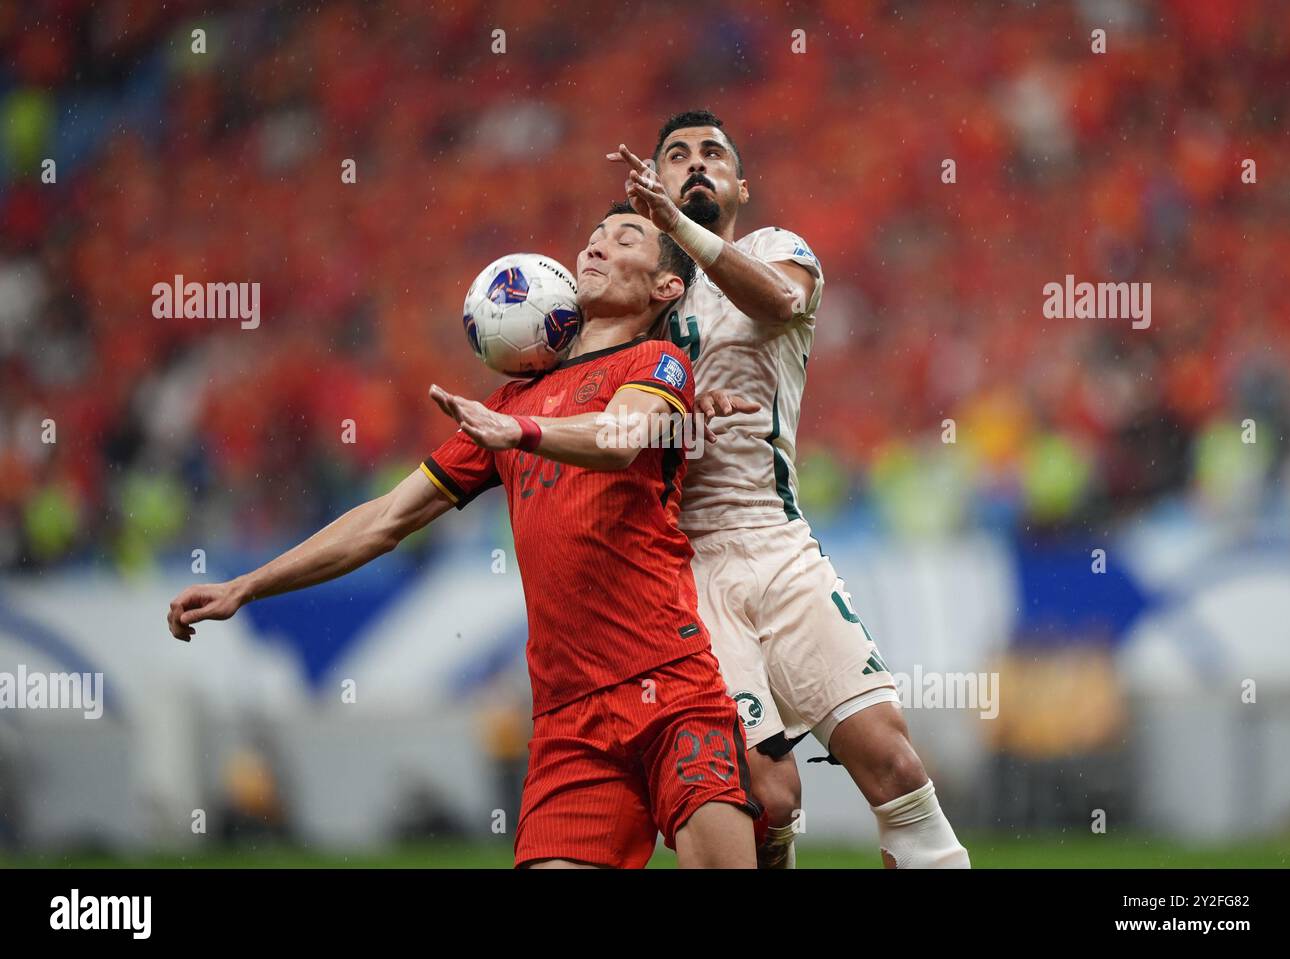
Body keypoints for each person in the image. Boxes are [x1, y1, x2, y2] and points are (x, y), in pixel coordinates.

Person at [166, 202, 762, 869]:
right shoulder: (509, 407)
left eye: (625, 239)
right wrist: (246, 585)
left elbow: (621, 438)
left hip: (669, 683)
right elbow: (385, 519)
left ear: (665, 287)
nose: (595, 246)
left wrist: (522, 434)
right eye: (591, 236)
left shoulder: (659, 363)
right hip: (569, 718)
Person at [608, 110, 970, 868]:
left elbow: (779, 301)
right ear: (653, 179)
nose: (695, 163)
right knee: (769, 800)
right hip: (689, 568)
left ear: (741, 184)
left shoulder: (777, 250)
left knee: (898, 768)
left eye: (713, 154)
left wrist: (677, 223)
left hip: (780, 544)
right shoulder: (638, 301)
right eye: (675, 156)